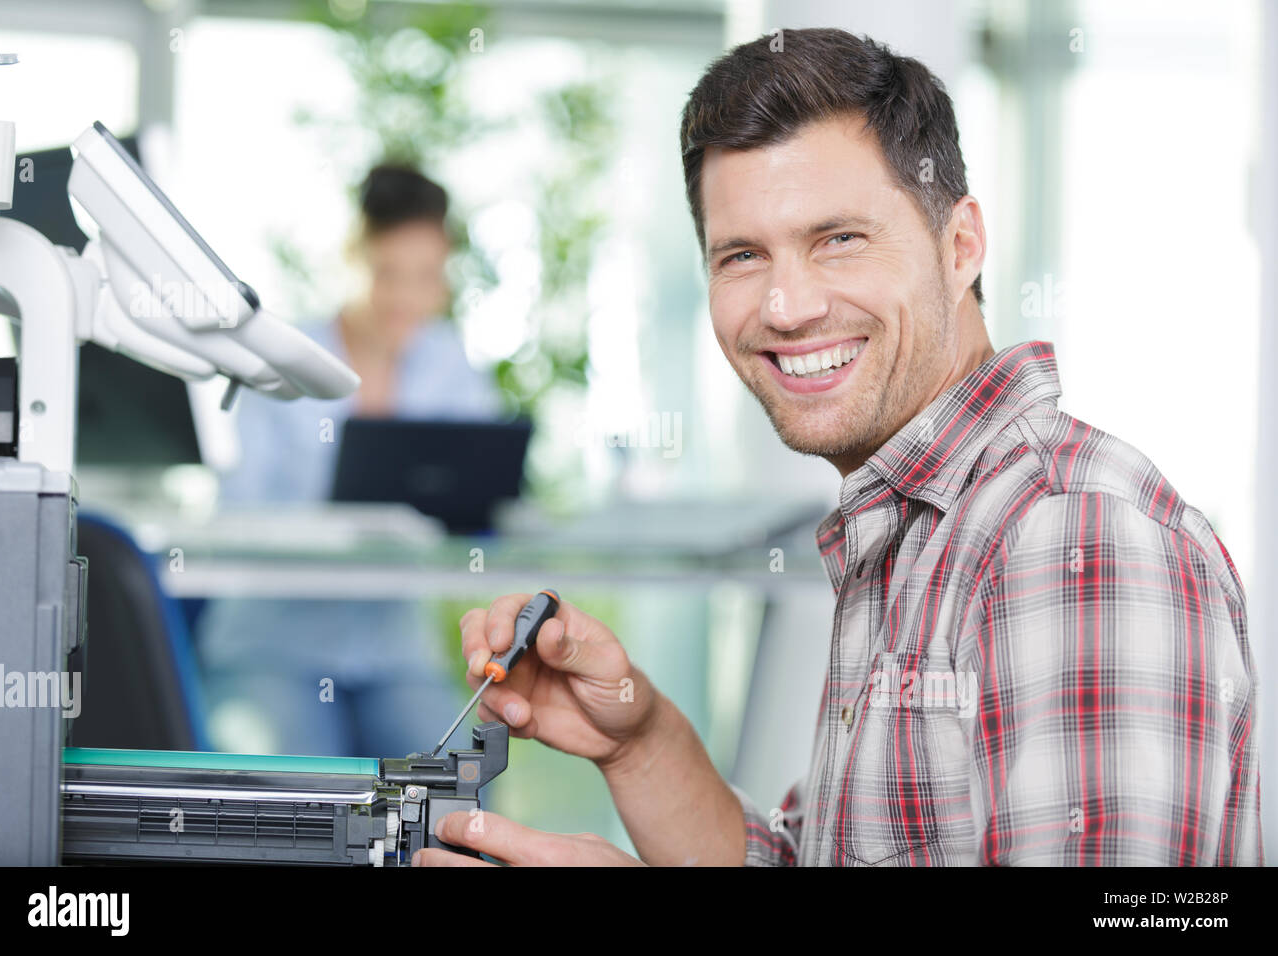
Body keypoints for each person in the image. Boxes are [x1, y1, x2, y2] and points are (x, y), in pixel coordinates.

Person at [413, 28, 1262, 866]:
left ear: (960, 244)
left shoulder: (1067, 539)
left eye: (838, 239)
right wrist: (640, 742)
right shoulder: (911, 526)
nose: (785, 306)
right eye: (743, 255)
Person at [197, 164, 501, 759]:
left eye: (426, 277)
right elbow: (235, 519)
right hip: (272, 650)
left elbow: (480, 499)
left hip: (392, 653)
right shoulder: (279, 362)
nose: (407, 300)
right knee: (305, 809)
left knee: (468, 788)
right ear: (352, 254)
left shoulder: (451, 367)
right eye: (387, 274)